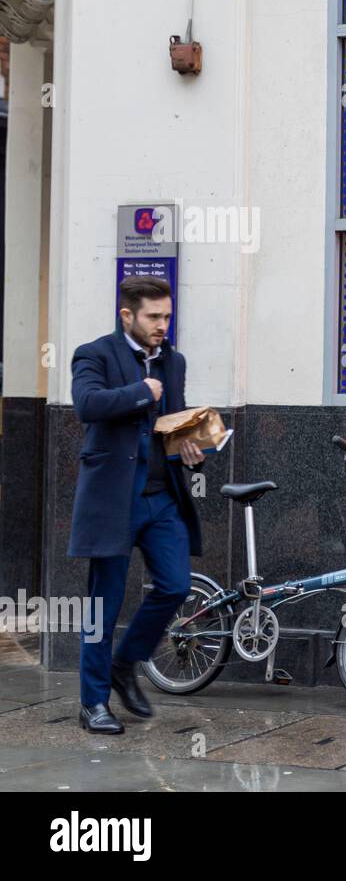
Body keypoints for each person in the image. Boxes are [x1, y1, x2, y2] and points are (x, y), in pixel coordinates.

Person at [68, 276, 206, 734]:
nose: (162, 325)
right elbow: (87, 404)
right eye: (154, 317)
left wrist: (191, 446)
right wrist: (141, 392)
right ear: (127, 315)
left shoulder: (175, 361)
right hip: (113, 501)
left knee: (175, 585)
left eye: (167, 316)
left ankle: (125, 663)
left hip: (162, 498)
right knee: (102, 607)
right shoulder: (95, 354)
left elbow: (173, 423)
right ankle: (93, 703)